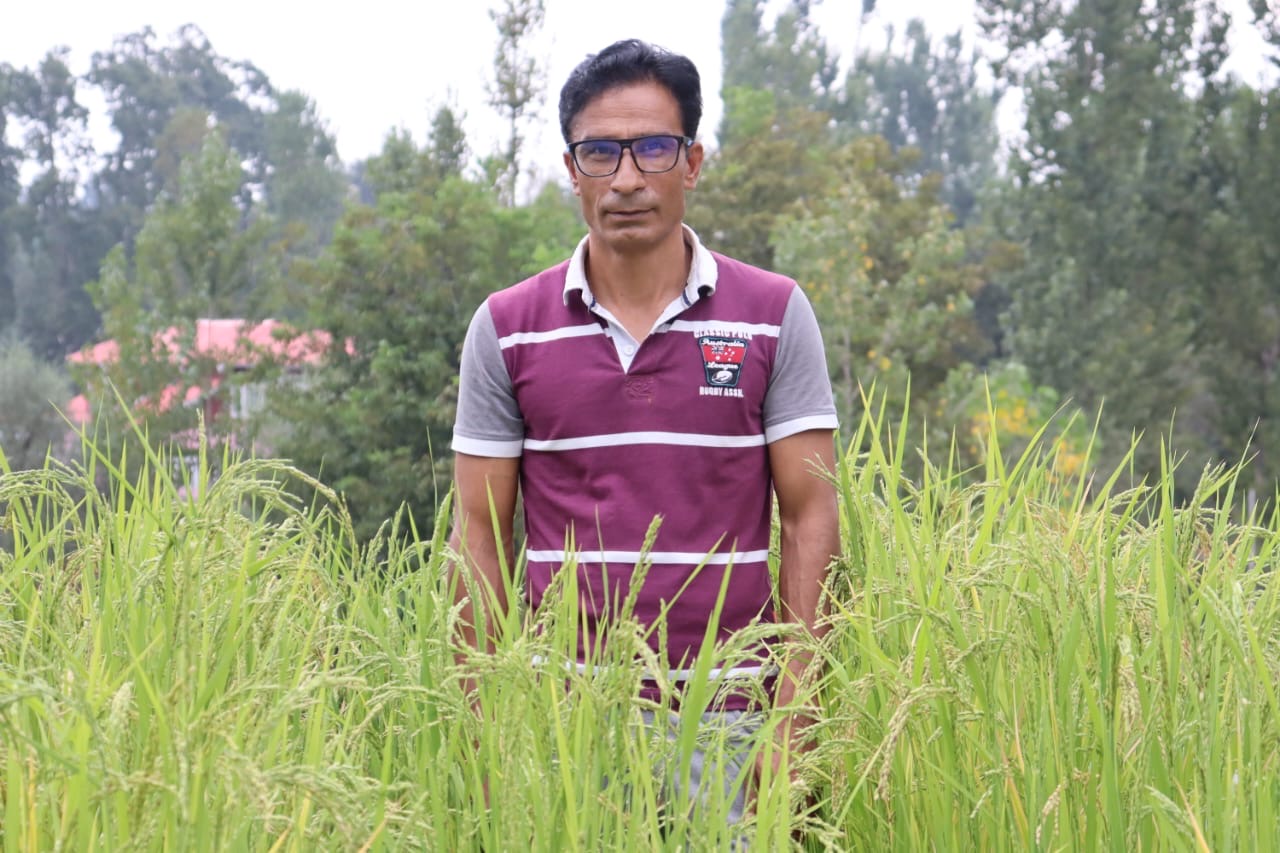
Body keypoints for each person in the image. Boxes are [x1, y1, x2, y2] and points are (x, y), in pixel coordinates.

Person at [449, 38, 840, 827]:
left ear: (692, 163)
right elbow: (479, 536)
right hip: (570, 721)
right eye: (600, 153)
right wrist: (486, 726)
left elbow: (811, 517)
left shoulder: (772, 314)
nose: (626, 179)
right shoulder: (507, 328)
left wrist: (795, 716)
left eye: (652, 148)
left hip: (731, 715)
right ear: (571, 169)